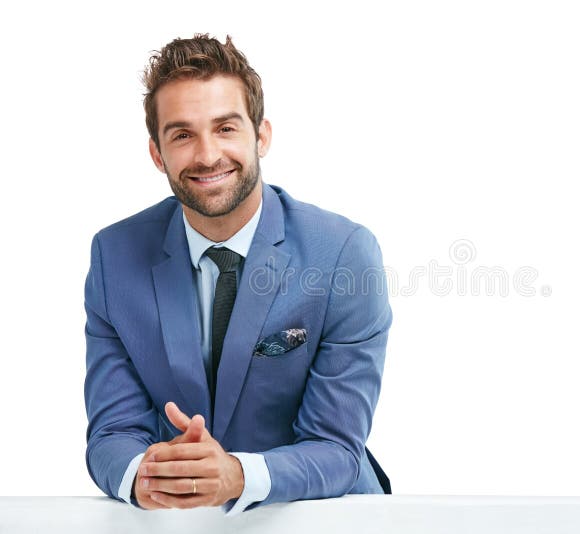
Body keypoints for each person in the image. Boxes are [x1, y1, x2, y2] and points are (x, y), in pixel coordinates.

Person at [83, 34, 392, 515]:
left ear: (261, 135)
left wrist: (236, 474)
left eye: (225, 128)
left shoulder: (343, 255)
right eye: (182, 135)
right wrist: (146, 475)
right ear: (157, 154)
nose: (208, 155)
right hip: (181, 522)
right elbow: (112, 434)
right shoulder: (115, 257)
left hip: (325, 516)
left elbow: (337, 447)